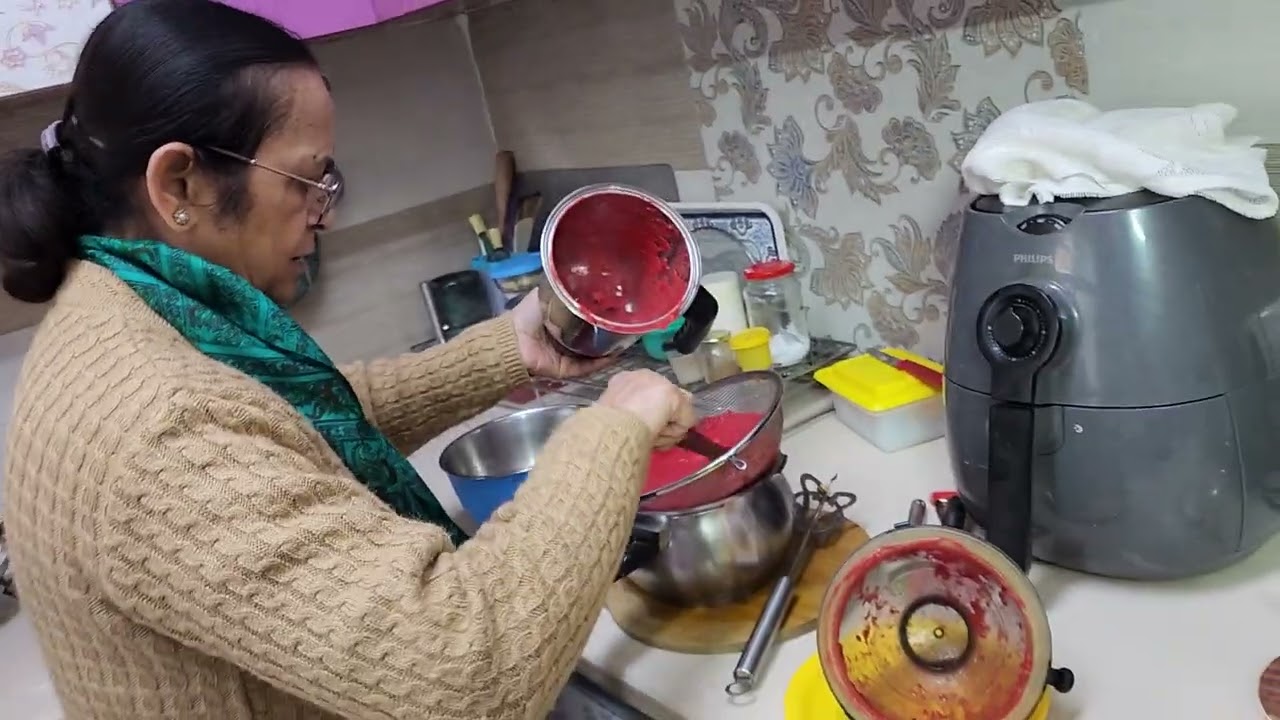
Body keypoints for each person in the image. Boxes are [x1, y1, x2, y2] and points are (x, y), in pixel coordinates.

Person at [0, 1, 696, 718]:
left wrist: (505, 353)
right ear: (180, 184)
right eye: (306, 181)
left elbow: (289, 432)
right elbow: (466, 674)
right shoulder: (159, 428)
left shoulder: (118, 305)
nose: (325, 212)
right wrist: (615, 429)